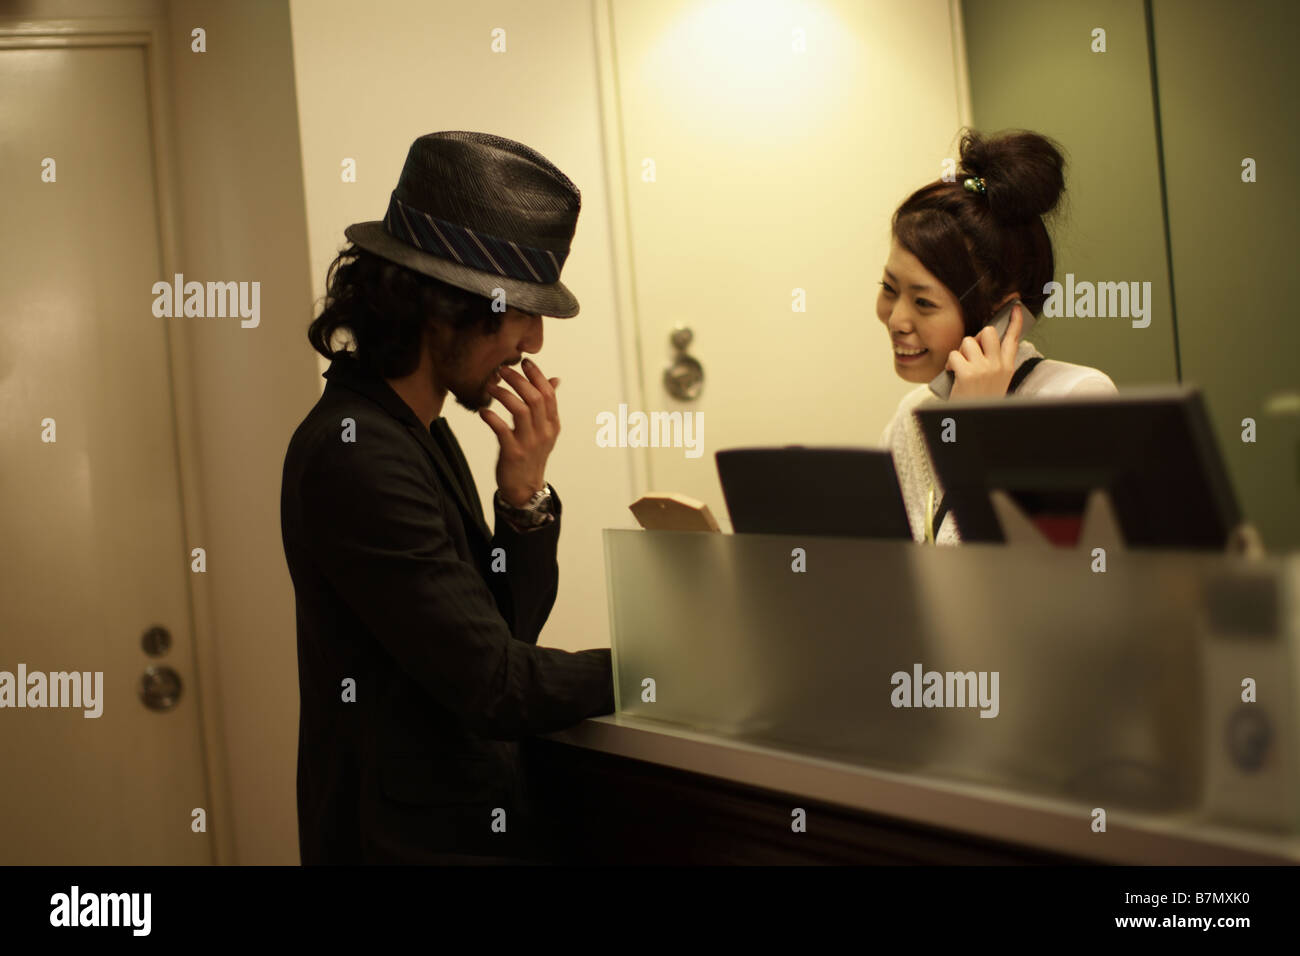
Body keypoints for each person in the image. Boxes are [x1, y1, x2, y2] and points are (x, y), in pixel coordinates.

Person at [280, 131, 613, 864]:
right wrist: (665, 665)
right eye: (520, 310)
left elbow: (501, 633)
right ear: (440, 306)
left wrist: (522, 498)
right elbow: (495, 685)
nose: (534, 340)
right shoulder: (357, 452)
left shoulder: (415, 431)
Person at [877, 129, 1118, 545]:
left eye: (924, 303)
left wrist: (976, 431)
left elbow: (1054, 587)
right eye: (889, 289)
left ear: (1001, 314)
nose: (896, 318)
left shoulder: (1076, 401)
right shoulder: (910, 416)